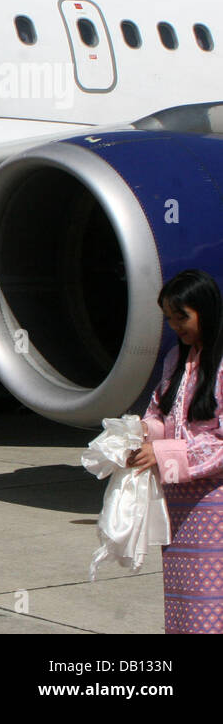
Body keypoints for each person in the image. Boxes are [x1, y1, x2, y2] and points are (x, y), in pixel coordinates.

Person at [130, 268, 223, 634]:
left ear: (206, 310)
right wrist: (140, 435)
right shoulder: (176, 360)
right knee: (185, 602)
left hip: (214, 505)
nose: (175, 326)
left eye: (181, 316)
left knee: (212, 602)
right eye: (169, 318)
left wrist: (166, 453)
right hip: (179, 503)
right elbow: (158, 413)